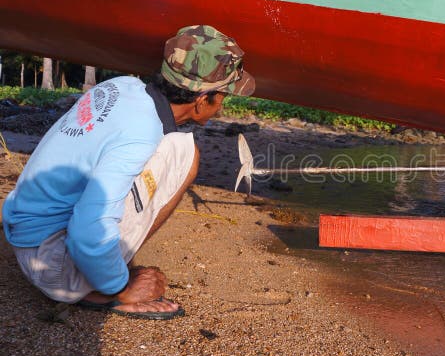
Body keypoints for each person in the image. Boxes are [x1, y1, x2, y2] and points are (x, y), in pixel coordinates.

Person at [2, 25, 255, 320]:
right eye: (223, 97)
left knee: (178, 149)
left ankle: (104, 269)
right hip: (51, 265)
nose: (222, 108)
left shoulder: (123, 87)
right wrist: (121, 288)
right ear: (202, 100)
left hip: (26, 232)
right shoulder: (140, 133)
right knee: (186, 155)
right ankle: (100, 289)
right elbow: (88, 230)